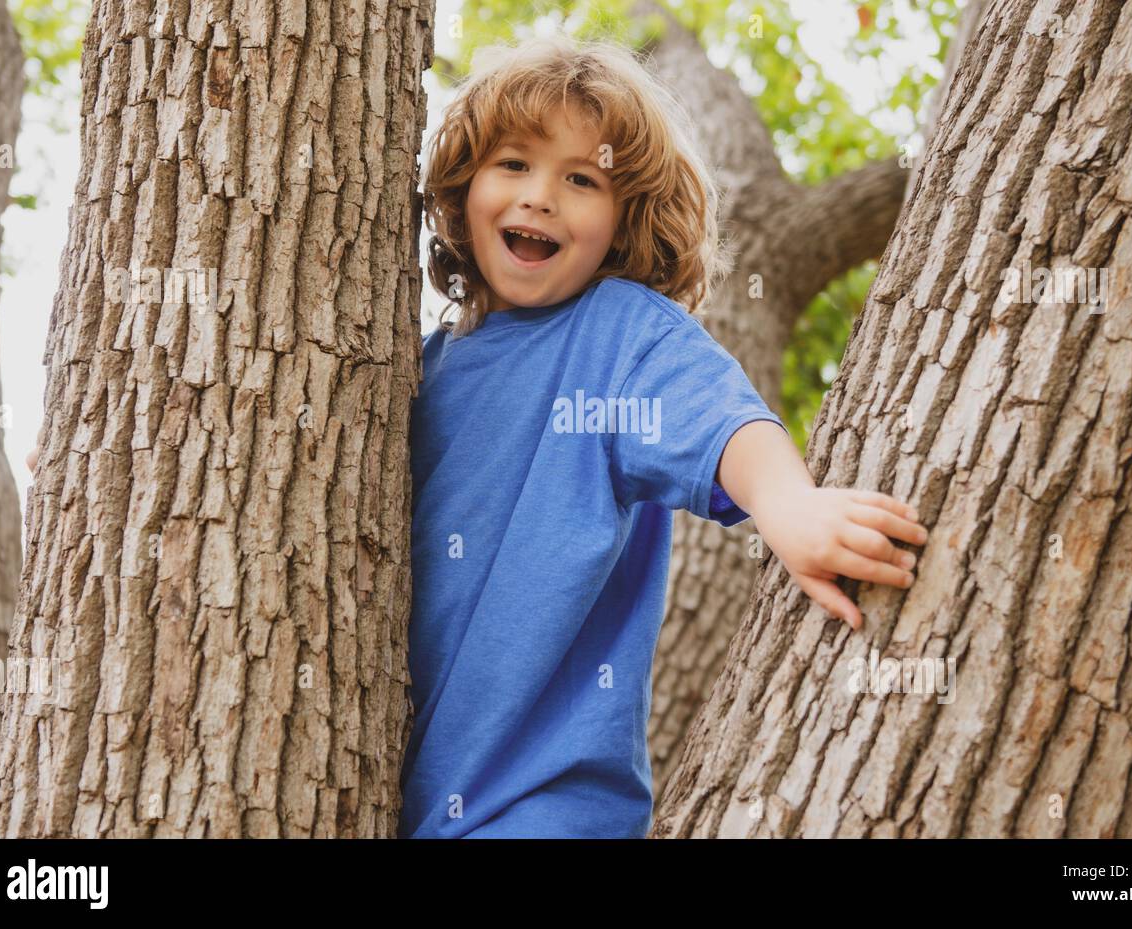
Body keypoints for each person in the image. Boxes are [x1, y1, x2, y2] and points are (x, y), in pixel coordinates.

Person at [397, 33, 927, 839]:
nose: (539, 196)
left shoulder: (616, 334)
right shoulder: (419, 367)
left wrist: (791, 508)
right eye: (513, 165)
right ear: (462, 189)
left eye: (581, 179)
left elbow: (720, 420)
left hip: (539, 810)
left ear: (622, 223)